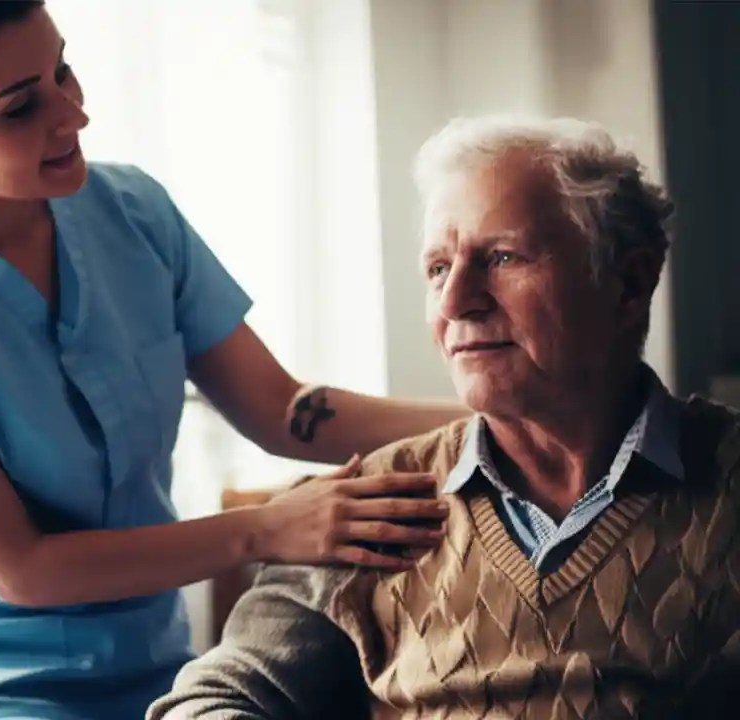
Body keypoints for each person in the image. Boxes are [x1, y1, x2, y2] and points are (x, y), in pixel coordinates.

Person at [0, 2, 465, 717]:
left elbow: (283, 410)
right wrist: (271, 529)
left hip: (154, 667)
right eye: (22, 107)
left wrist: (496, 413)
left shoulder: (135, 213)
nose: (72, 115)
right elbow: (23, 569)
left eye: (62, 71)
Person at [150, 116, 740, 719]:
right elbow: (216, 696)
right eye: (438, 269)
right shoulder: (369, 506)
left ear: (630, 283)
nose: (455, 302)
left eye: (504, 257)